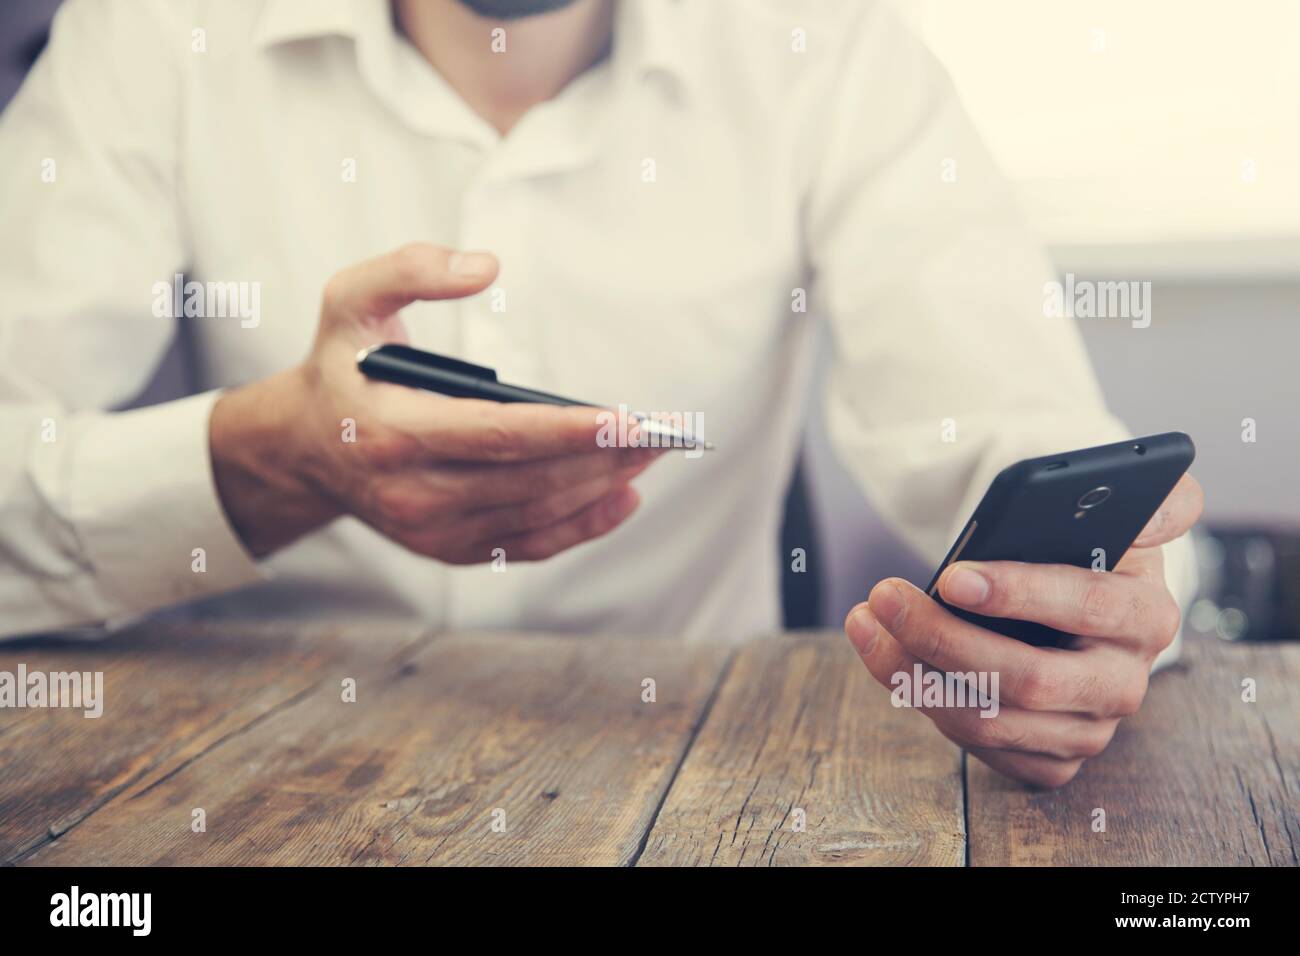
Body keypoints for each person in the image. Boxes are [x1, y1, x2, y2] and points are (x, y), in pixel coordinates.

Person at [0, 0, 1202, 787]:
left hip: (697, 780)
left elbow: (1016, 423)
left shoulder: (824, 41)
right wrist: (258, 457)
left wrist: (1111, 597)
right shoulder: (154, 28)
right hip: (240, 778)